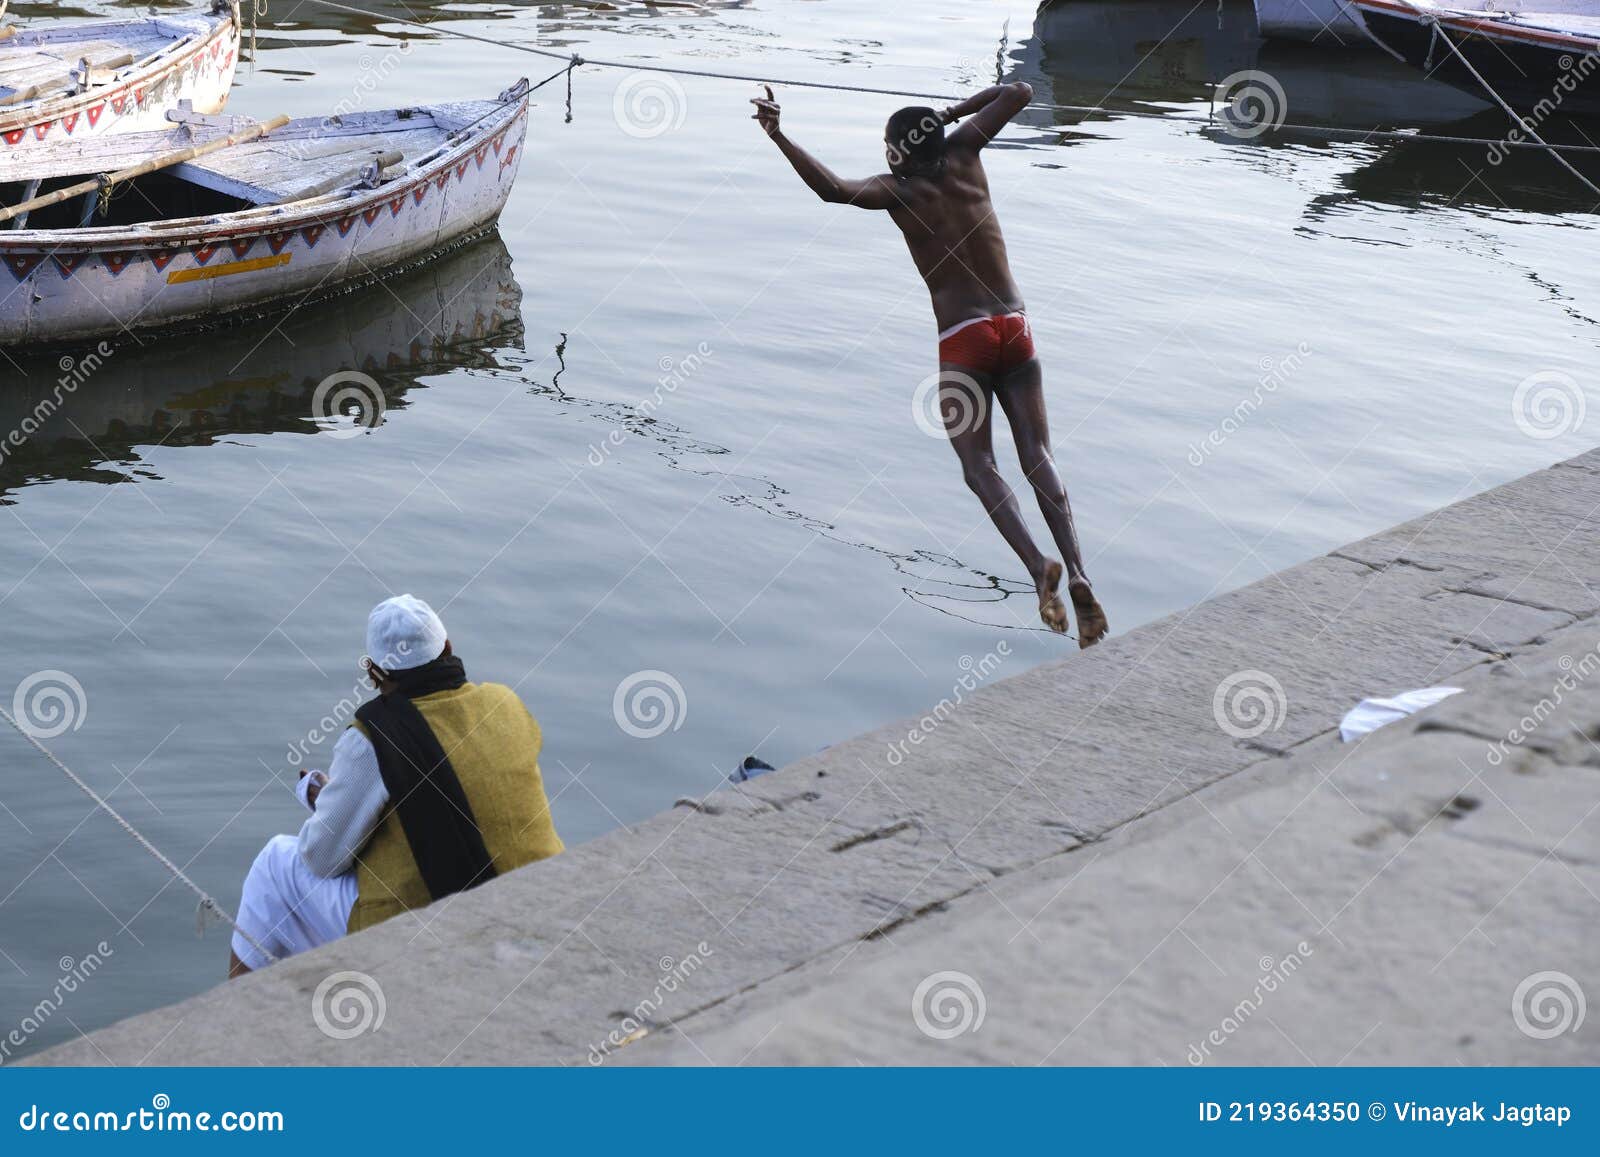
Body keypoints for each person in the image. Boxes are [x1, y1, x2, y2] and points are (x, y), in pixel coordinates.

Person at [752, 82, 1109, 646]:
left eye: (888, 145)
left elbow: (832, 190)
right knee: (1037, 454)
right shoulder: (967, 150)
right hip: (1015, 328)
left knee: (979, 467)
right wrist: (948, 113)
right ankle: (1082, 572)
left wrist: (779, 135)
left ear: (897, 153)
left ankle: (1041, 568)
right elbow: (1019, 89)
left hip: (965, 339)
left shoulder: (900, 191)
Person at [228, 595, 564, 975]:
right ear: (448, 647)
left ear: (373, 673)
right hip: (537, 890)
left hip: (425, 920)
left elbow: (321, 860)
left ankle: (237, 1008)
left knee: (276, 862)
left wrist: (331, 805)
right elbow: (460, 787)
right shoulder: (504, 703)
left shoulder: (369, 740)